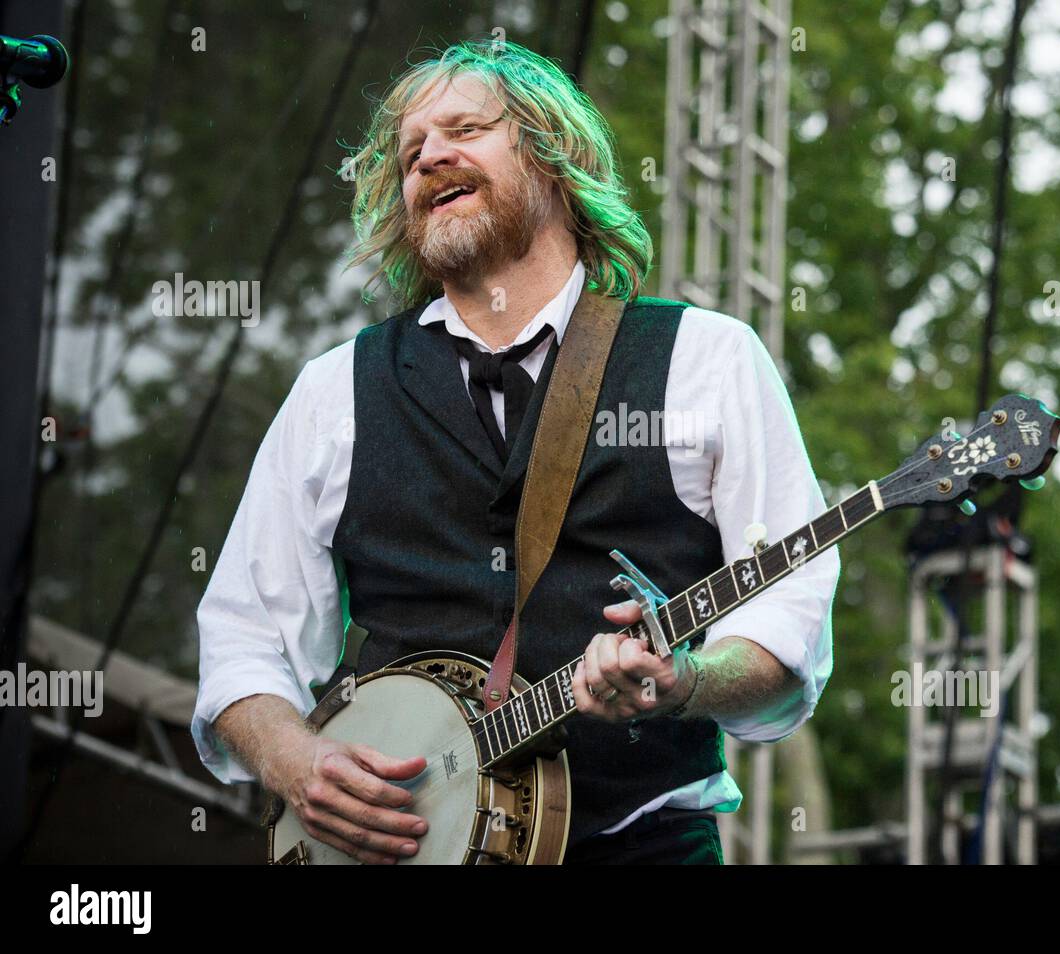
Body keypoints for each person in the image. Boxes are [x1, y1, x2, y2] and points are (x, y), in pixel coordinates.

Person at [191, 39, 838, 865]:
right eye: (411, 150)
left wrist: (685, 682)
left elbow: (787, 625)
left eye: (464, 128)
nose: (429, 156)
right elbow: (245, 638)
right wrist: (297, 762)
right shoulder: (335, 391)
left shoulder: (706, 358)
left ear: (553, 155)